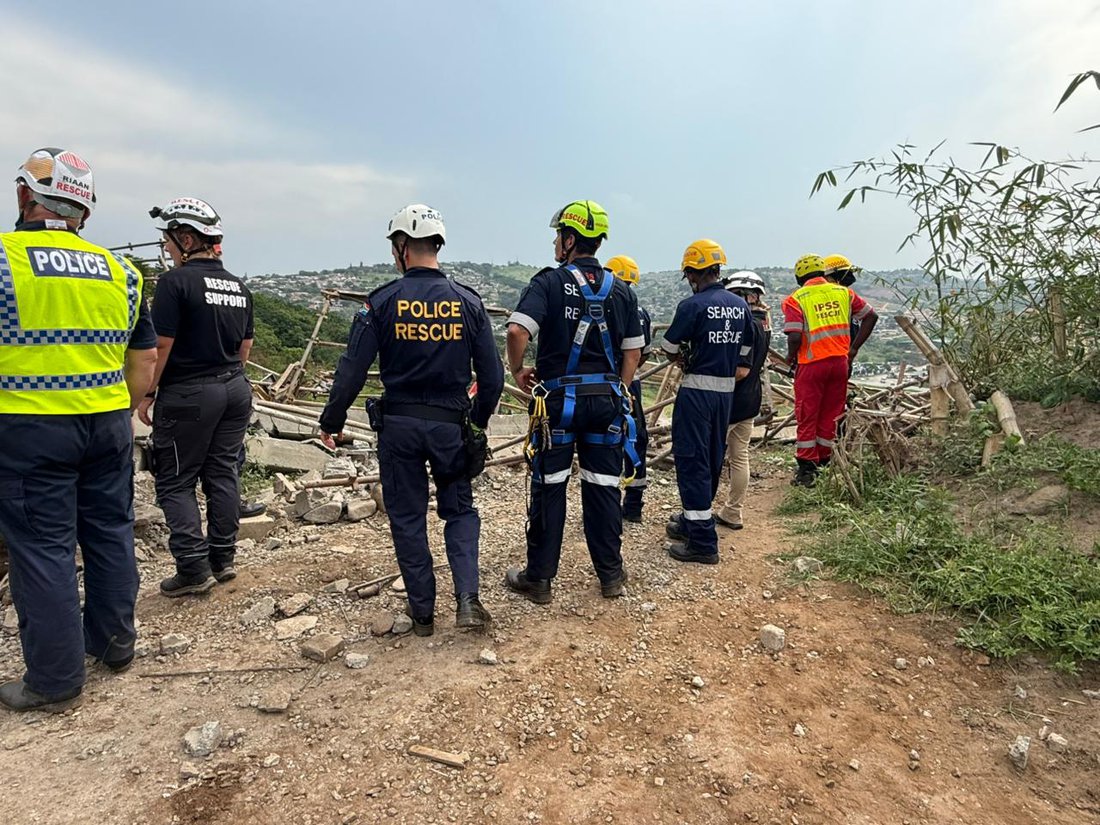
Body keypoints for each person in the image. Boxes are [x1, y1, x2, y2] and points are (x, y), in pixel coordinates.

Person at [0, 148, 157, 711]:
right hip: (107, 424)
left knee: (43, 550)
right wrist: (118, 410)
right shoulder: (122, 272)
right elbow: (143, 363)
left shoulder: (3, 260)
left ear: (24, 195)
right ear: (83, 212)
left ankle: (54, 679)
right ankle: (115, 643)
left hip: (28, 426)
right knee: (110, 532)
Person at [319, 205, 503, 636]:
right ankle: (468, 599)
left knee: (407, 516)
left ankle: (422, 615)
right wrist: (476, 424)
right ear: (435, 245)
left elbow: (352, 369)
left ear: (402, 247)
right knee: (459, 511)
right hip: (451, 426)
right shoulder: (468, 302)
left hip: (399, 426)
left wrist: (332, 419)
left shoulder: (381, 302)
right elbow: (492, 378)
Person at [505, 200, 642, 603]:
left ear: (569, 239)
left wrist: (518, 371)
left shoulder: (547, 283)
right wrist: (620, 389)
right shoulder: (621, 290)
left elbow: (517, 331)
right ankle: (610, 575)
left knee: (549, 486)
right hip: (605, 403)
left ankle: (540, 578)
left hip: (558, 404)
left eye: (557, 237)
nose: (554, 243)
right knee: (602, 486)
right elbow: (632, 352)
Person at [138, 198, 254, 595]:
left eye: (169, 241)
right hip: (235, 388)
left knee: (174, 480)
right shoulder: (238, 287)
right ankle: (222, 559)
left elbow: (162, 346)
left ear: (186, 238)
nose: (167, 249)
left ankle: (192, 568)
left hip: (189, 391)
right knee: (222, 471)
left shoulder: (176, 283)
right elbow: (245, 349)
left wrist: (147, 392)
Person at [663, 240, 753, 564]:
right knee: (713, 458)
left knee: (691, 460)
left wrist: (689, 359)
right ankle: (693, 520)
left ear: (691, 273)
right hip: (725, 396)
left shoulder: (693, 306)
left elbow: (670, 346)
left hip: (697, 393)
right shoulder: (741, 307)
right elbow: (745, 358)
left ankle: (702, 541)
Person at [782, 254, 877, 487]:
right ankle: (825, 461)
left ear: (799, 277)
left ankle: (806, 470)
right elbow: (871, 316)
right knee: (831, 413)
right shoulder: (844, 293)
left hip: (811, 364)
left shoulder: (795, 299)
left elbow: (794, 336)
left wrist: (789, 358)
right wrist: (853, 350)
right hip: (839, 364)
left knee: (807, 414)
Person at [716, 271, 771, 530]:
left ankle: (700, 512)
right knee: (740, 456)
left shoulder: (744, 324)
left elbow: (738, 367)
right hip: (751, 398)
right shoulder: (764, 324)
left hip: (731, 399)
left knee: (713, 456)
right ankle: (733, 511)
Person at [605, 255, 652, 523]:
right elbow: (641, 353)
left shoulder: (604, 305)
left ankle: (608, 505)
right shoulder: (640, 311)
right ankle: (634, 505)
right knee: (636, 442)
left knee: (607, 443)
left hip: (606, 384)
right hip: (630, 383)